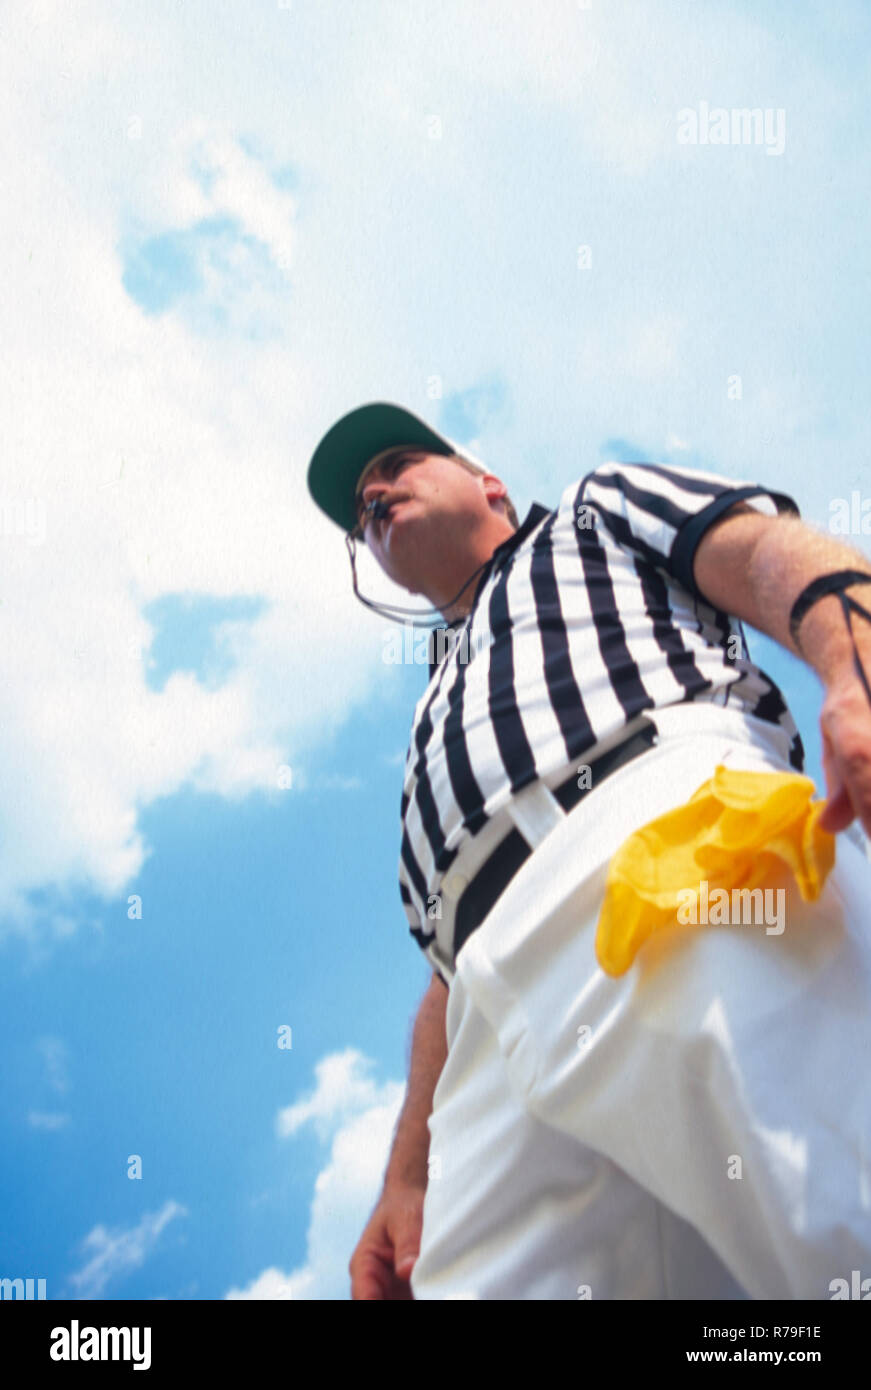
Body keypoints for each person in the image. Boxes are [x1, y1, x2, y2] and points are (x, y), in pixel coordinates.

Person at [306, 401, 871, 1300]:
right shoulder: (430, 708)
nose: (373, 491)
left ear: (487, 482)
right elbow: (444, 967)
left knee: (833, 1208)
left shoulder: (589, 511)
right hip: (486, 1006)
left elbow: (766, 550)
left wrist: (853, 664)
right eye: (359, 506)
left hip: (665, 824)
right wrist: (406, 1171)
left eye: (397, 463)